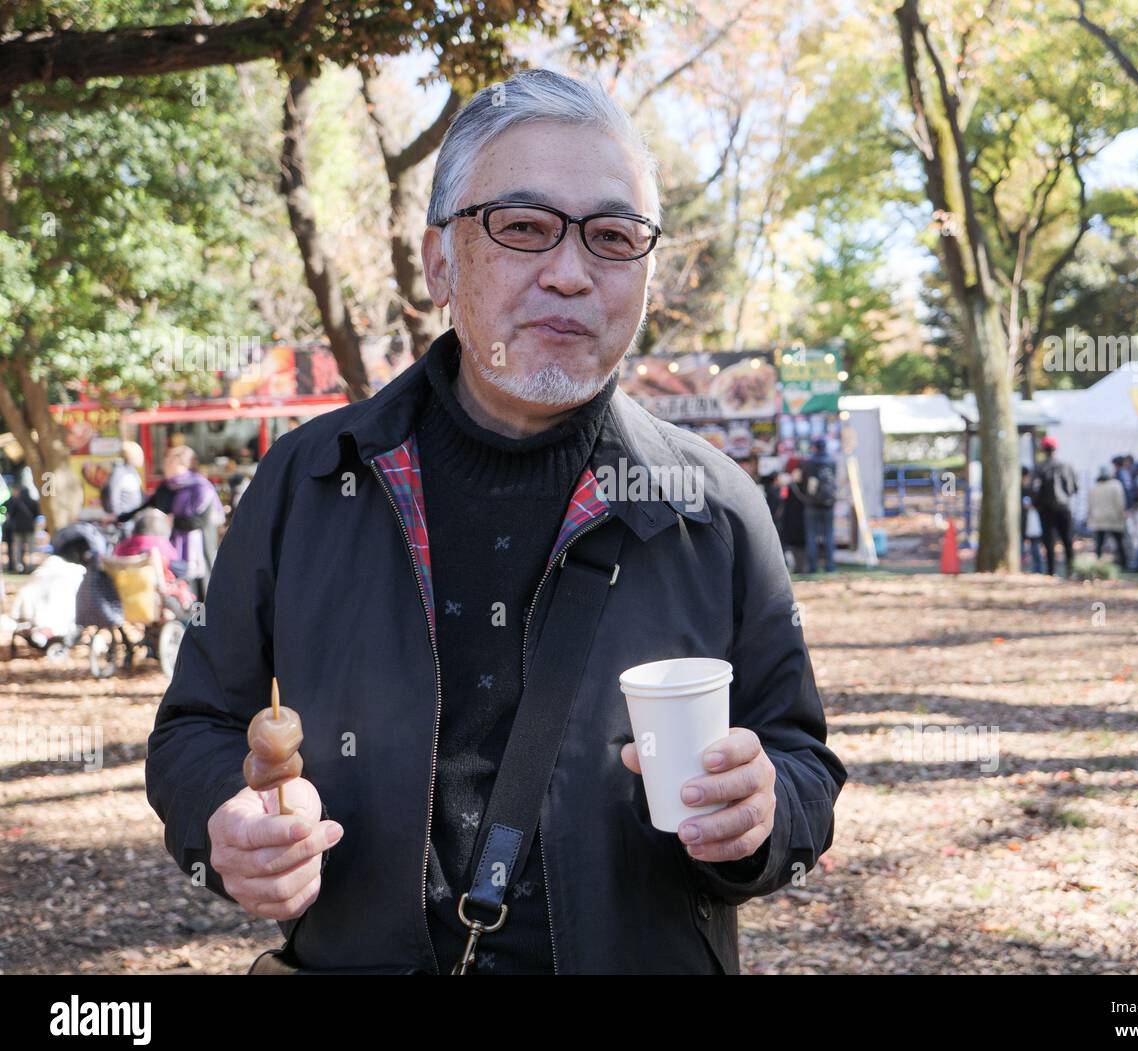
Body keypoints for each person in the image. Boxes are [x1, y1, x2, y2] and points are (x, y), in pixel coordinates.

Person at [145, 70, 845, 976]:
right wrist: (222, 823)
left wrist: (763, 815)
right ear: (440, 262)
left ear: (644, 273)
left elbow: (801, 762)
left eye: (612, 237)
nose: (569, 271)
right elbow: (194, 727)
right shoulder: (310, 481)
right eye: (521, 226)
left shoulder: (711, 506)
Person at [118, 445, 224, 600]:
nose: (165, 465)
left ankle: (201, 621)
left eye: (170, 462)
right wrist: (121, 517)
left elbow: (199, 521)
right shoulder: (165, 487)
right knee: (175, 588)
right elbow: (148, 505)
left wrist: (172, 521)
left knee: (200, 590)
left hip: (198, 550)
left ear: (183, 464)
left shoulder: (200, 488)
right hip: (168, 547)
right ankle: (185, 622)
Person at [1032, 435, 1077, 578]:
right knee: (1067, 539)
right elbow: (1074, 487)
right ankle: (1071, 570)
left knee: (1049, 541)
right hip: (1064, 508)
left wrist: (1036, 504)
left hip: (1046, 509)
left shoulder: (1039, 468)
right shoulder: (1066, 466)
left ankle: (1051, 571)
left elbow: (1035, 489)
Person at [797, 437, 837, 574]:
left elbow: (802, 482)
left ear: (814, 447)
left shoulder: (808, 462)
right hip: (828, 503)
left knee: (811, 536)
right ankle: (830, 565)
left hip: (811, 504)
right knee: (829, 535)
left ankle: (813, 566)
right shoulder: (832, 461)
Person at [1087, 467, 1127, 569]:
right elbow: (1120, 503)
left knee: (1099, 543)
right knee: (1119, 542)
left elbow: (1090, 505)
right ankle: (1123, 563)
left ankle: (1098, 563)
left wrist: (1090, 517)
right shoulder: (1116, 485)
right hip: (1114, 518)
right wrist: (1122, 515)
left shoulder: (1095, 487)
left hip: (1099, 518)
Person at [4, 466, 39, 575]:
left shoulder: (15, 501)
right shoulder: (33, 501)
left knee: (18, 548)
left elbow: (7, 511)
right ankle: (31, 566)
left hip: (17, 528)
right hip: (30, 528)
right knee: (31, 549)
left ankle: (18, 566)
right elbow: (37, 513)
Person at [101, 440, 145, 520]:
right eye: (139, 454)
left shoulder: (132, 470)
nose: (142, 457)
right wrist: (119, 517)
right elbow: (114, 496)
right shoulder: (119, 472)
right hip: (125, 518)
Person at [779, 455, 807, 573]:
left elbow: (783, 498)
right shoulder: (802, 480)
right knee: (799, 543)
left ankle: (798, 567)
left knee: (794, 542)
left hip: (792, 517)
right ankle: (800, 566)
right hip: (800, 517)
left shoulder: (789, 482)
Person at [1020, 466, 1043, 573]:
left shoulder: (1031, 489)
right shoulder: (1019, 490)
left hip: (1031, 523)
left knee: (1035, 548)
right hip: (1022, 524)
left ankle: (1038, 570)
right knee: (1022, 548)